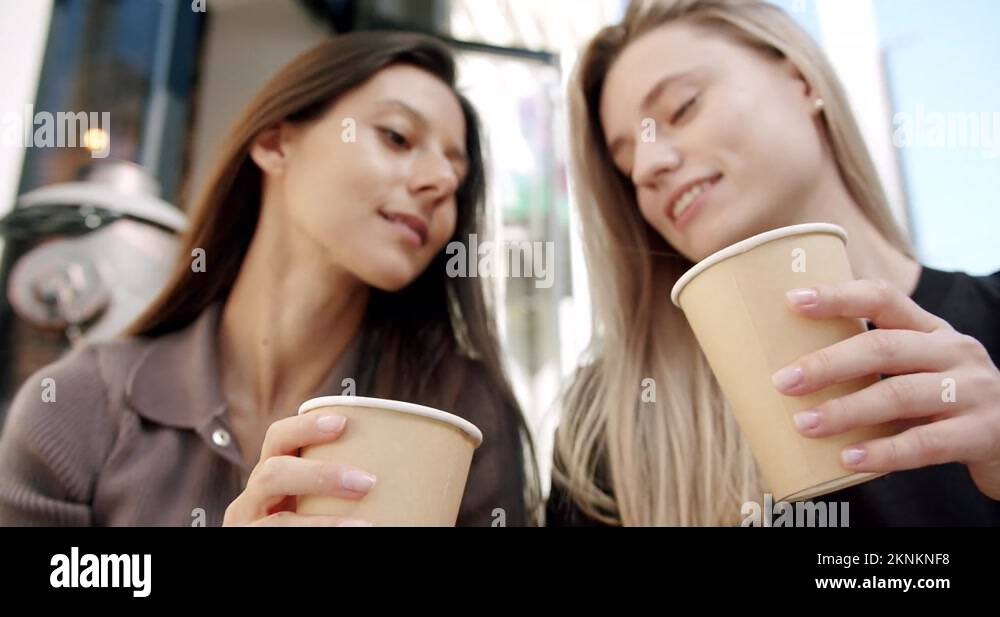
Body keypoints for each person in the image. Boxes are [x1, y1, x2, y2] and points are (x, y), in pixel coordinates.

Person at [0, 31, 539, 527]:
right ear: (276, 144)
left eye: (457, 173)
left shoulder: (463, 415)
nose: (442, 181)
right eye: (397, 137)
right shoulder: (76, 404)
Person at [548, 0, 1000, 526]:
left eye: (682, 108)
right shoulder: (611, 428)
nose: (648, 166)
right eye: (626, 163)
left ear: (802, 81)